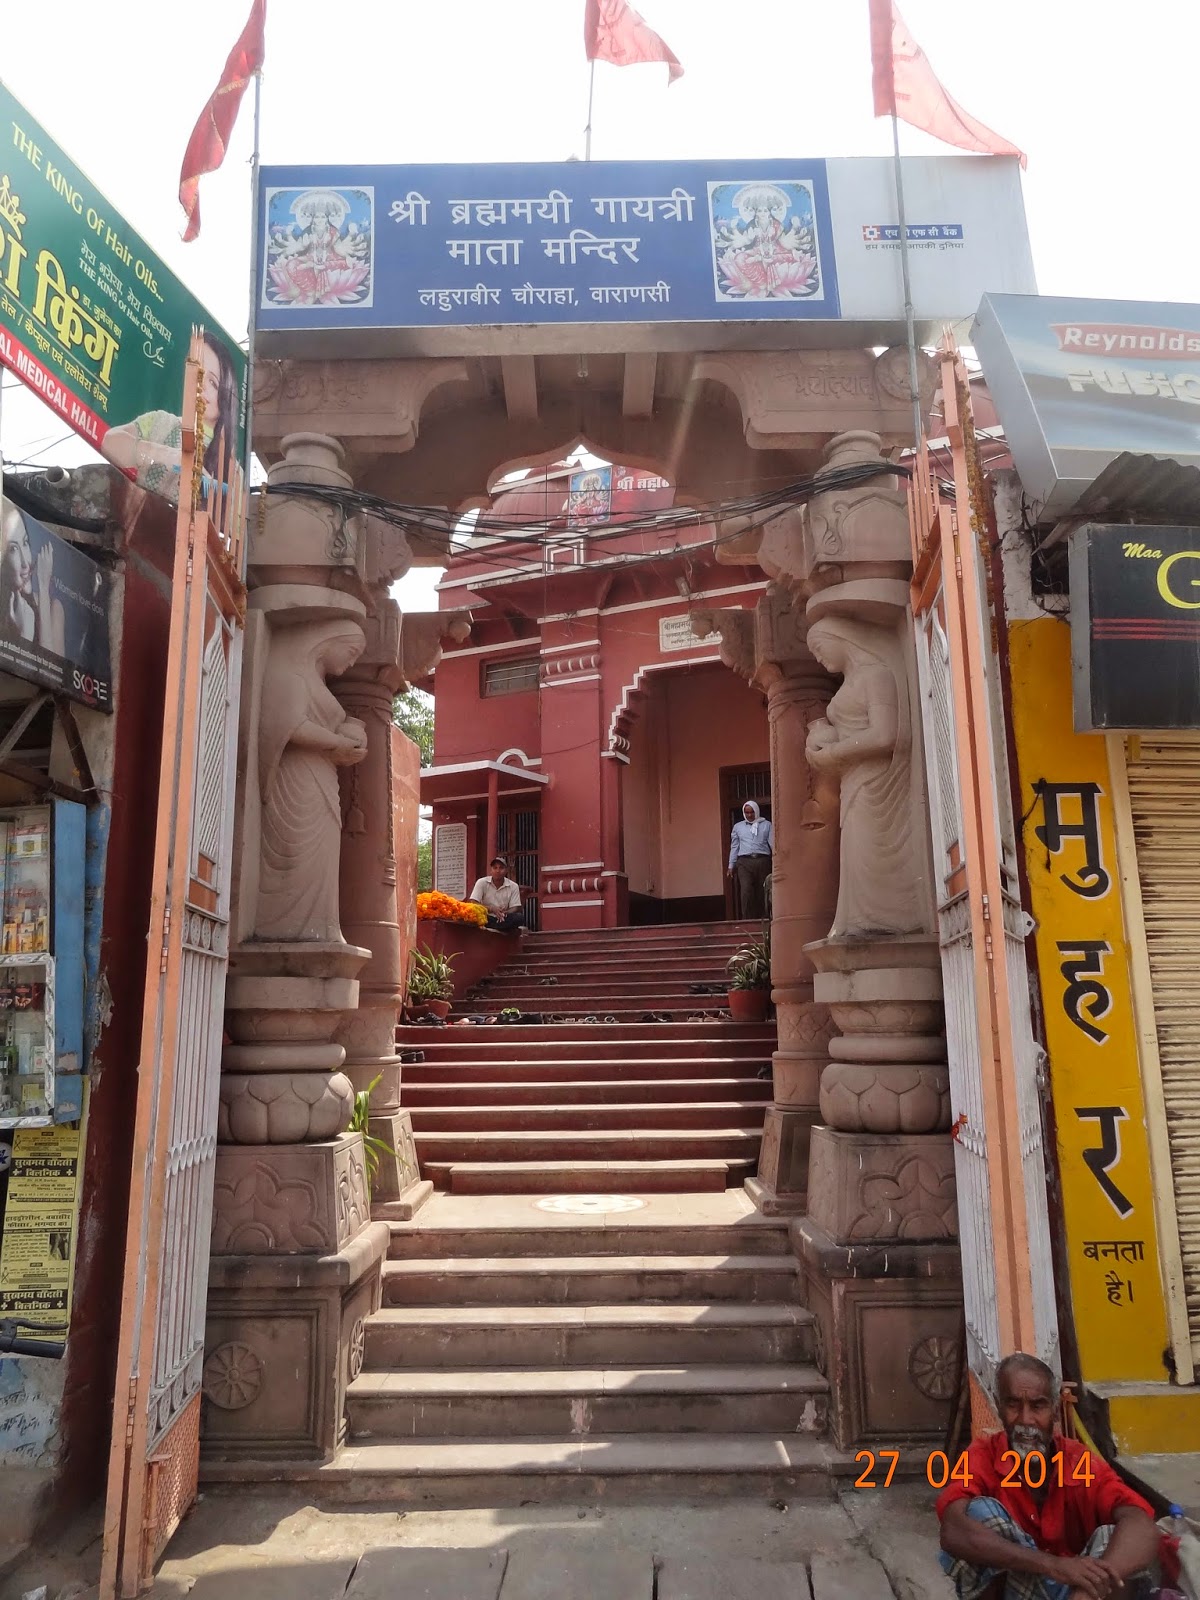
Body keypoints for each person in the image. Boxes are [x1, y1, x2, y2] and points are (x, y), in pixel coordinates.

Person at [938, 1352, 1159, 1600]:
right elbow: (953, 1530)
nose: (1025, 1420)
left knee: (1113, 1536)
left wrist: (1086, 1591)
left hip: (1073, 1591)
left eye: (1038, 1406)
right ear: (999, 1408)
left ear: (1055, 1412)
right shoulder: (981, 1456)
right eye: (1013, 1405)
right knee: (980, 1513)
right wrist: (1053, 1565)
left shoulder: (1078, 1460)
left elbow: (1141, 1523)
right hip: (1017, 1589)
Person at [100, 329, 239, 506]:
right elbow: (109, 442)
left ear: (226, 398)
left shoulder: (231, 466)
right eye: (197, 370)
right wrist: (167, 456)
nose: (201, 384)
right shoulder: (162, 422)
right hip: (139, 521)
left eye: (212, 382)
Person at [1, 498, 67, 657]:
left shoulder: (53, 608)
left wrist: (44, 587)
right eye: (13, 549)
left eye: (25, 543)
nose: (26, 563)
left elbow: (52, 670)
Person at [727, 800, 773, 919]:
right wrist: (731, 865)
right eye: (746, 812)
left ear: (756, 811)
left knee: (762, 891)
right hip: (744, 862)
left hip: (762, 860)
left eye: (752, 812)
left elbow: (772, 843)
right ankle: (747, 919)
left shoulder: (767, 825)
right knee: (746, 890)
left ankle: (763, 917)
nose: (749, 815)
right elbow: (735, 846)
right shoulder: (738, 827)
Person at [468, 856, 524, 933]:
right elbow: (473, 902)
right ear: (491, 870)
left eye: (501, 868)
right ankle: (500, 927)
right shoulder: (481, 882)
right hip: (486, 916)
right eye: (495, 868)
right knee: (474, 915)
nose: (498, 871)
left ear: (506, 871)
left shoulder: (513, 886)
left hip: (502, 918)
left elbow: (515, 907)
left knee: (519, 917)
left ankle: (497, 926)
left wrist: (504, 913)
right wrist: (491, 909)